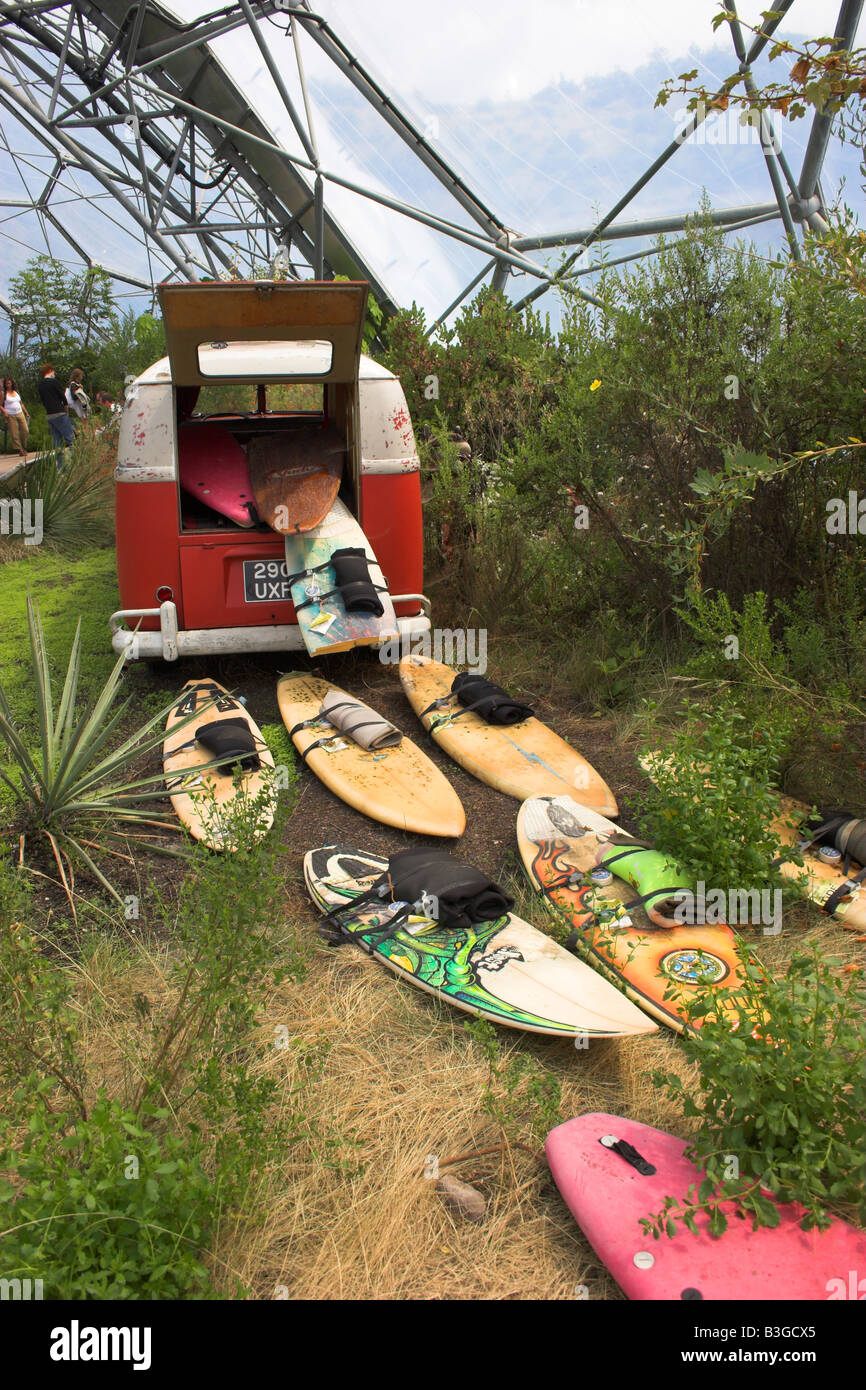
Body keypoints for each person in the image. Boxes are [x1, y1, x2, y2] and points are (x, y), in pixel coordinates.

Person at [37, 364, 76, 461]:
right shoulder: (54, 382)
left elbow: (43, 400)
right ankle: (76, 460)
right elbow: (62, 397)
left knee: (57, 442)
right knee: (71, 438)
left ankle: (60, 466)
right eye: (53, 371)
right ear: (50, 370)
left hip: (49, 415)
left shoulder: (40, 385)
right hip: (59, 412)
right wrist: (66, 409)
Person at [2, 376, 30, 458]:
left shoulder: (16, 392)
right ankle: (20, 449)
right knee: (14, 433)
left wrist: (26, 413)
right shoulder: (3, 393)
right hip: (10, 414)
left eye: (9, 383)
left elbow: (21, 403)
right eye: (7, 383)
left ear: (12, 383)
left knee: (25, 430)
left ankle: (24, 446)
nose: (8, 385)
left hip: (19, 412)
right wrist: (4, 412)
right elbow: (0, 405)